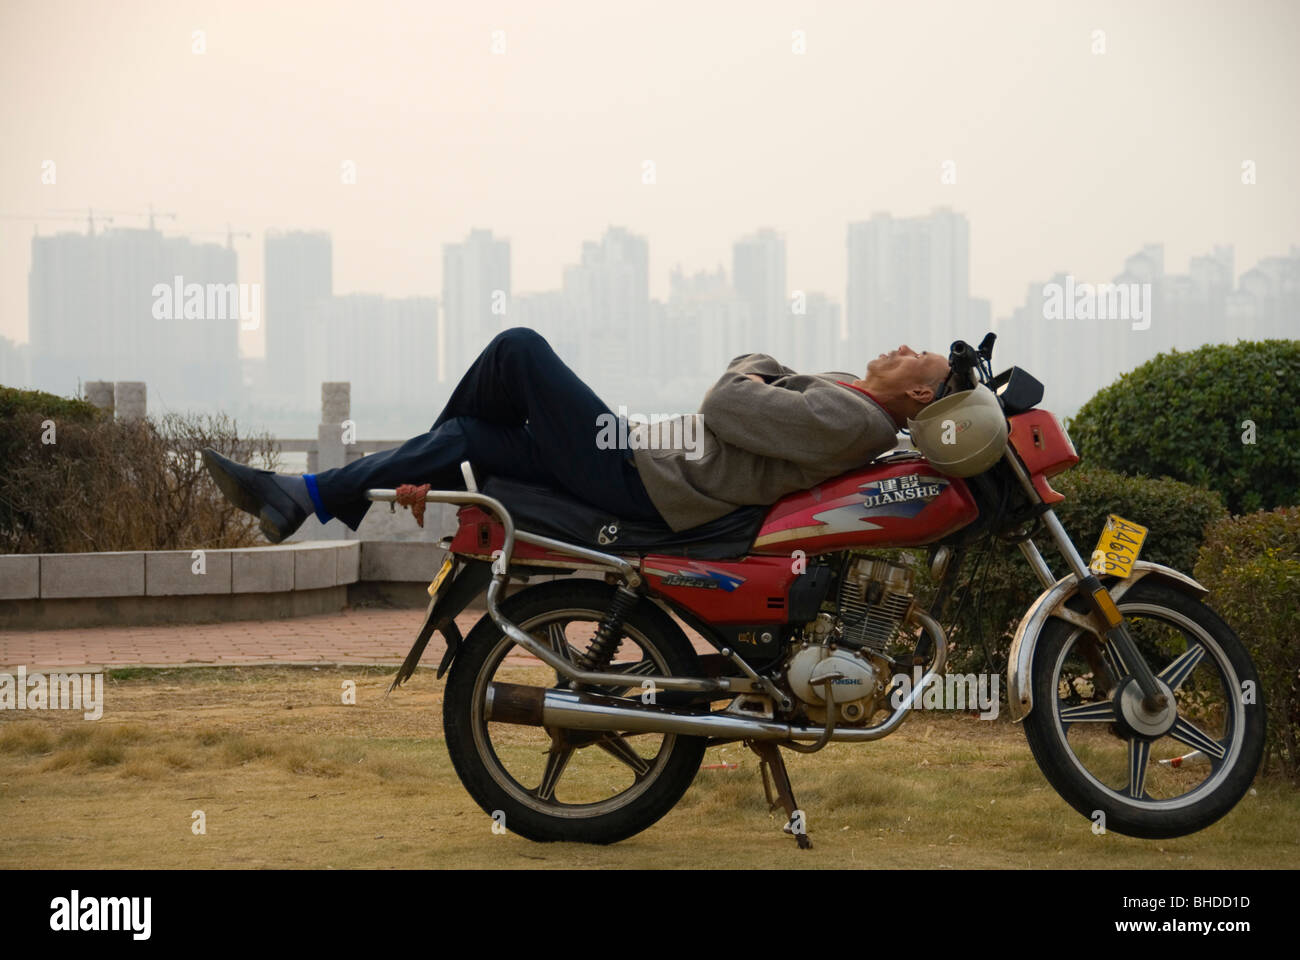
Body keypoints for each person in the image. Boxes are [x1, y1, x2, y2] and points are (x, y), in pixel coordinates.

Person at [202, 327, 951, 543]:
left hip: (640, 474)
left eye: (916, 352)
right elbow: (747, 390)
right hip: (643, 462)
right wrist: (759, 374)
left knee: (519, 351)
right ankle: (304, 496)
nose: (899, 343)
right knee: (473, 430)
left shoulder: (855, 417)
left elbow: (727, 398)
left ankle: (387, 490)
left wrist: (756, 367)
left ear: (920, 392)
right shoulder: (852, 403)